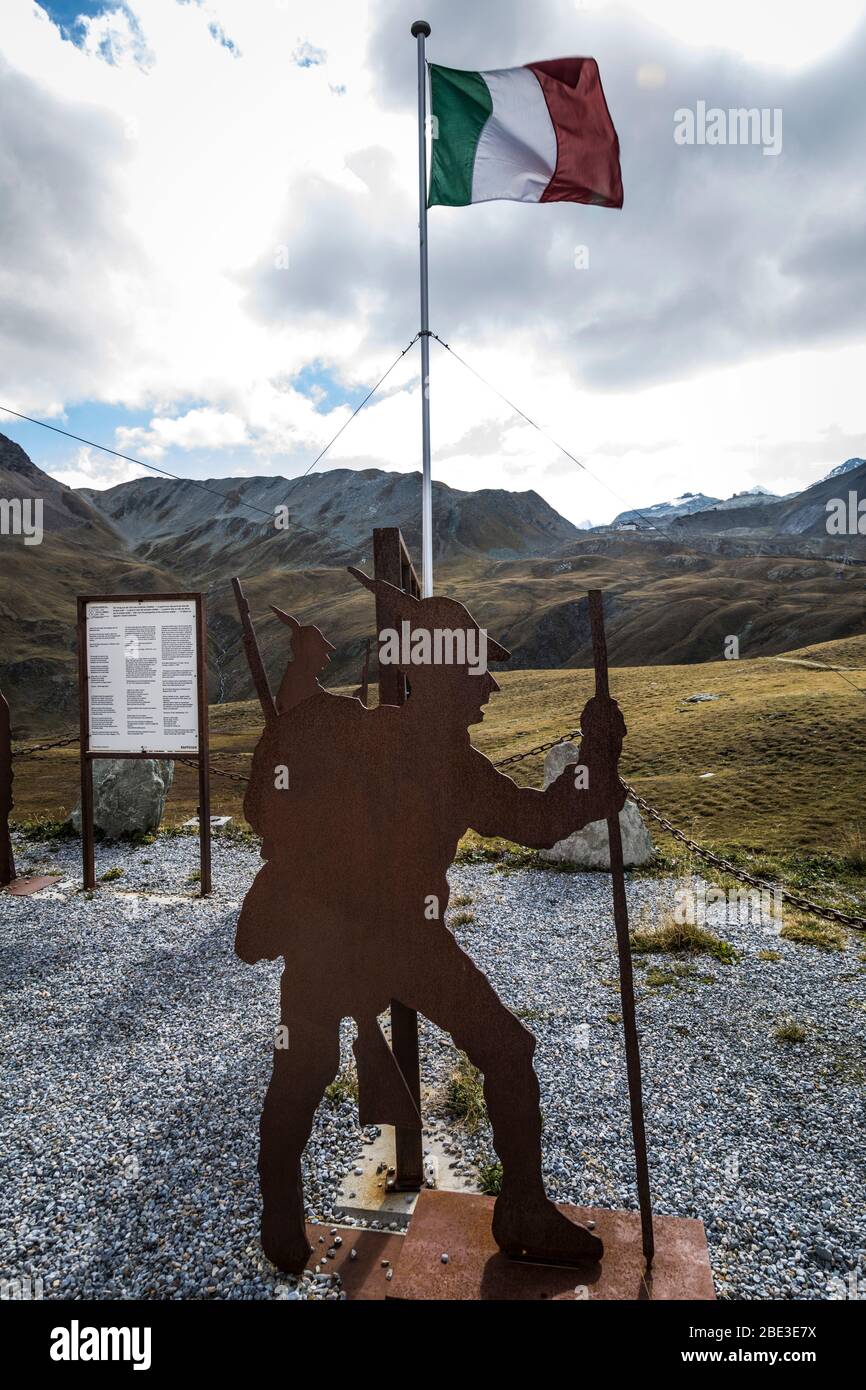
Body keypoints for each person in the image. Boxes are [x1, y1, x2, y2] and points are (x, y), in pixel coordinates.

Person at [237, 571, 627, 1274]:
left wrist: (596, 763)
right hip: (396, 941)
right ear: (446, 674)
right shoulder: (449, 763)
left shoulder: (368, 736)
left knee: (304, 1066)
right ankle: (521, 1210)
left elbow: (268, 811)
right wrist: (595, 761)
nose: (491, 686)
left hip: (331, 939)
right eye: (479, 670)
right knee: (504, 1052)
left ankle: (280, 1206)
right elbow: (538, 824)